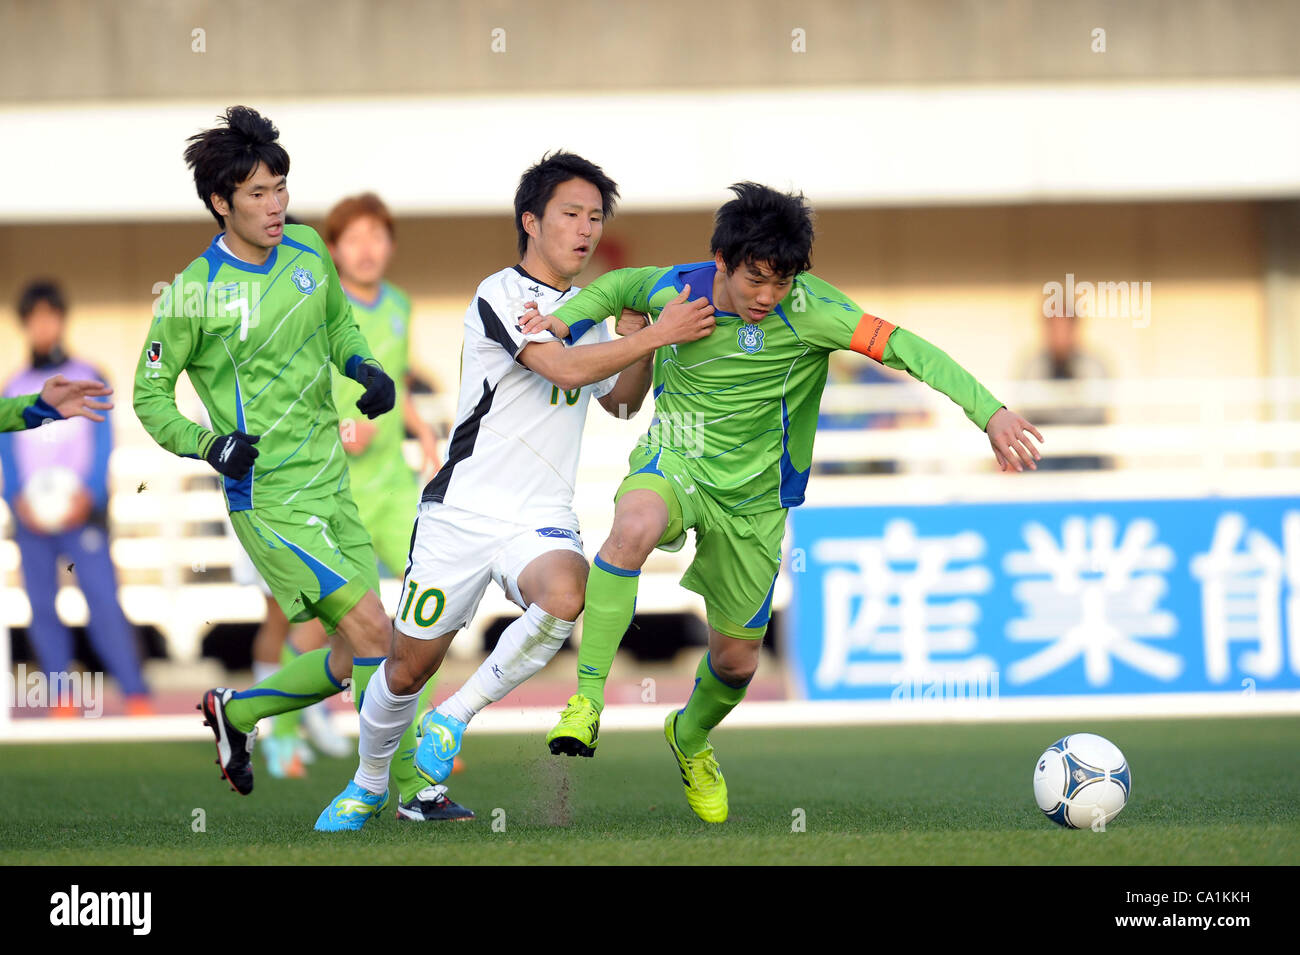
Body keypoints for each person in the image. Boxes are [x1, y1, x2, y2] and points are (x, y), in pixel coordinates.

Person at [531, 182, 1043, 823]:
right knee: (631, 527)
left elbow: (909, 349)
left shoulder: (815, 309)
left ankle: (689, 736)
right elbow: (615, 288)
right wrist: (564, 322)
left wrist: (989, 412)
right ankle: (586, 702)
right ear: (722, 260)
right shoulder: (678, 290)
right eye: (756, 279)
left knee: (736, 663)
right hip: (676, 461)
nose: (767, 296)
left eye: (782, 281)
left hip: (757, 501)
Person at [314, 151, 715, 830]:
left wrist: (642, 341)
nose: (585, 229)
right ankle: (370, 782)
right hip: (462, 511)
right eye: (571, 214)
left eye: (595, 217)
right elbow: (561, 367)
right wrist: (660, 331)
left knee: (568, 592)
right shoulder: (501, 293)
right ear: (530, 221)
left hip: (540, 515)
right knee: (406, 669)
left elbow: (620, 402)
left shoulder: (590, 313)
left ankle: (453, 718)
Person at [133, 106, 402, 806]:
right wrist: (208, 443)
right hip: (270, 499)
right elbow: (149, 396)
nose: (276, 204)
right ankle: (393, 789)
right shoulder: (193, 291)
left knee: (355, 651)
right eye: (257, 193)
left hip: (332, 485)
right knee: (377, 633)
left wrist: (364, 368)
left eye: (280, 187)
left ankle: (238, 712)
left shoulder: (309, 247)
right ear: (220, 202)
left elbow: (340, 325)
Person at [258, 192, 469, 820]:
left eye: (377, 236)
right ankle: (283, 735)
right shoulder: (317, 299)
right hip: (329, 487)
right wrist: (341, 424)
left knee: (433, 602)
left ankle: (419, 729)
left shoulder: (400, 304)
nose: (367, 249)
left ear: (391, 244)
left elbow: (394, 375)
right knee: (327, 630)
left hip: (392, 489)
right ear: (333, 248)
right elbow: (303, 379)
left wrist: (423, 432)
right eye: (354, 238)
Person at [0, 281, 150, 715]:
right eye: (35, 319)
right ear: (26, 325)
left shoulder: (90, 374)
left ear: (62, 320)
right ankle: (61, 696)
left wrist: (89, 495)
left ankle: (136, 693)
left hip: (83, 513)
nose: (43, 326)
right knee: (42, 605)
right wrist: (17, 499)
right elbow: (7, 452)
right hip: (31, 517)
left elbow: (103, 442)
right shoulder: (14, 385)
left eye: (50, 316)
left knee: (103, 601)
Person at [1014, 312, 1111, 471]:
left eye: (1064, 328)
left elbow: (1093, 411)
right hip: (1044, 450)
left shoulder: (1094, 364)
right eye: (1054, 328)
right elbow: (1029, 410)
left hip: (1084, 449)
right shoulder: (1032, 364)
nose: (1059, 335)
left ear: (1074, 329)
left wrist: (1052, 409)